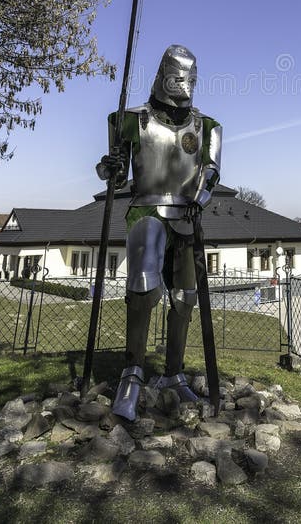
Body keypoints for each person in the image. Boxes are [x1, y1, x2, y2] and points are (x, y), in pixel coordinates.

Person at [96, 45, 222, 421]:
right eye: (180, 76)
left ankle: (173, 373)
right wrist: (110, 166)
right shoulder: (129, 119)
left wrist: (200, 197)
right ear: (165, 74)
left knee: (185, 296)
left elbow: (211, 169)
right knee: (144, 287)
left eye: (192, 77)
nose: (186, 85)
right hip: (147, 207)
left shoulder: (206, 126)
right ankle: (132, 373)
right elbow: (115, 175)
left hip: (188, 212)